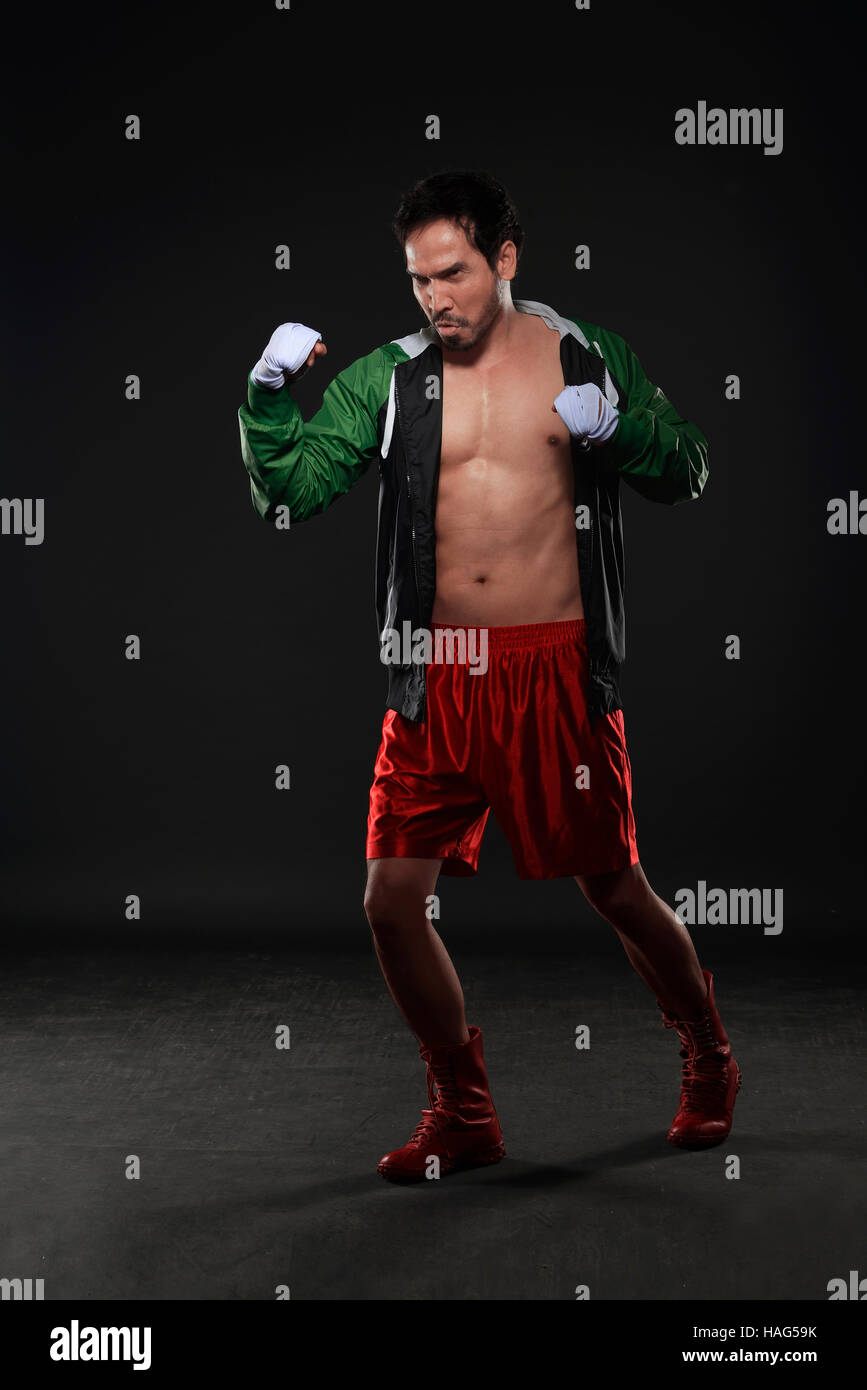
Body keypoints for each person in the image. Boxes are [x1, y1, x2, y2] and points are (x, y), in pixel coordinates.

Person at [237, 168, 742, 1184]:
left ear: (505, 259)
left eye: (455, 274)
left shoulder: (583, 355)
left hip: (554, 667)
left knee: (614, 885)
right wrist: (263, 400)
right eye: (420, 280)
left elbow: (686, 467)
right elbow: (291, 490)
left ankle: (707, 1053)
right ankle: (462, 1110)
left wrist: (624, 429)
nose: (437, 299)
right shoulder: (386, 379)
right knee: (390, 898)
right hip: (437, 670)